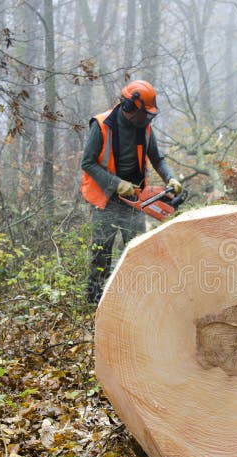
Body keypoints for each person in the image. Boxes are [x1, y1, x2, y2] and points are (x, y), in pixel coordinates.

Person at [80, 80, 182, 304]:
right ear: (128, 107)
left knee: (137, 249)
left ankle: (136, 301)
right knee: (101, 251)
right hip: (105, 197)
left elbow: (158, 158)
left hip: (135, 197)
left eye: (149, 115)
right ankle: (94, 302)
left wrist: (170, 177)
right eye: (144, 114)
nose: (146, 119)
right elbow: (87, 163)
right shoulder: (101, 125)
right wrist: (116, 183)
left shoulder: (144, 129)